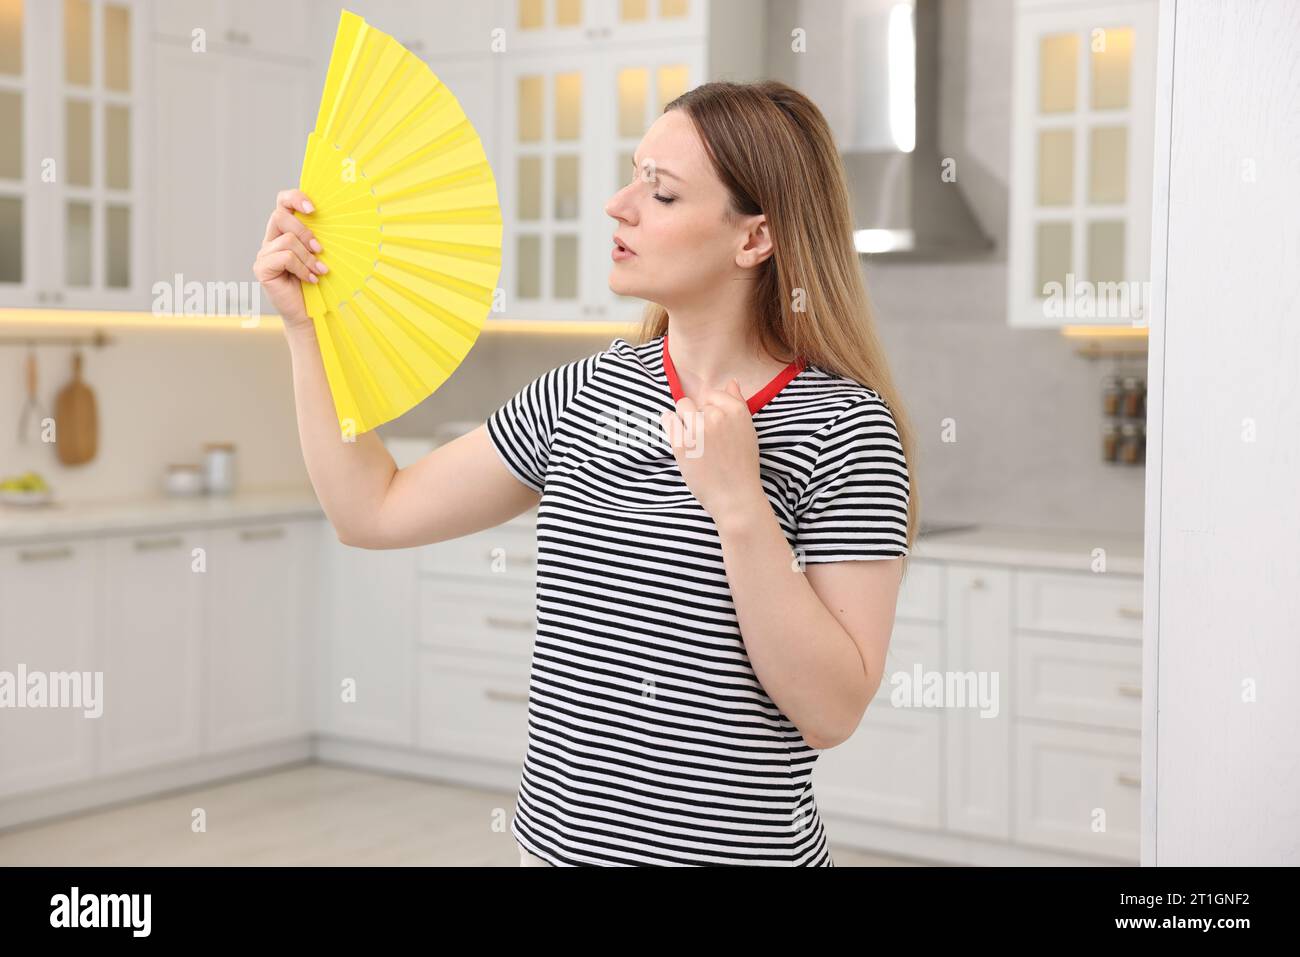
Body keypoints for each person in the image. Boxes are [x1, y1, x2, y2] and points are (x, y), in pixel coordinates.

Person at [253, 79, 917, 867]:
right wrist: (309, 330)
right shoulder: (582, 393)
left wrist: (740, 505)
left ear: (754, 239)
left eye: (660, 193)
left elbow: (831, 712)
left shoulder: (845, 428)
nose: (617, 205)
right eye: (634, 176)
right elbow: (371, 509)